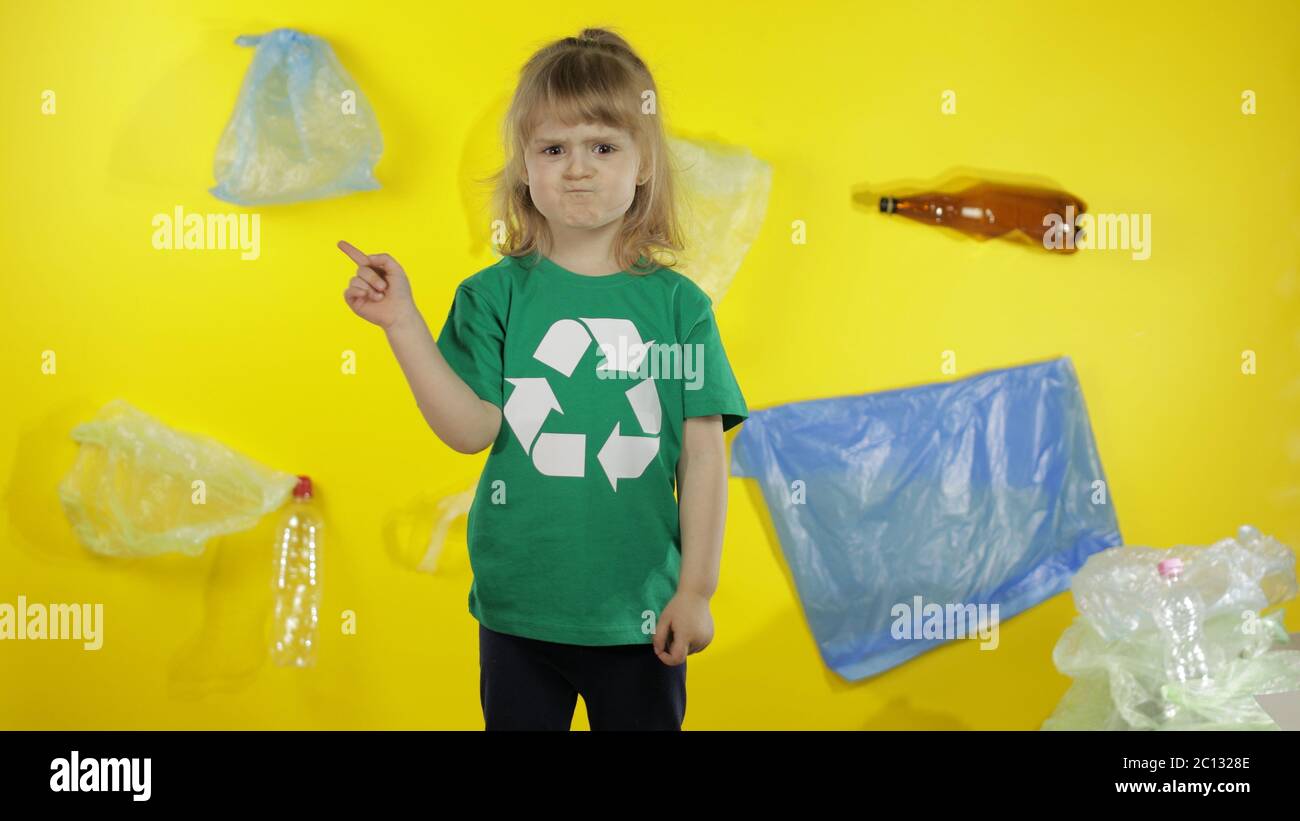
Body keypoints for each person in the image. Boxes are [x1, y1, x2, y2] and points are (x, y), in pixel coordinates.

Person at [338, 27, 747, 730]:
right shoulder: (491, 297)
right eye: (554, 148)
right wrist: (403, 324)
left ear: (644, 162)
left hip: (640, 615)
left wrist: (696, 590)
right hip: (518, 612)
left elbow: (704, 456)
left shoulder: (682, 309)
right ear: (524, 165)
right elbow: (470, 431)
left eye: (603, 146)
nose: (578, 168)